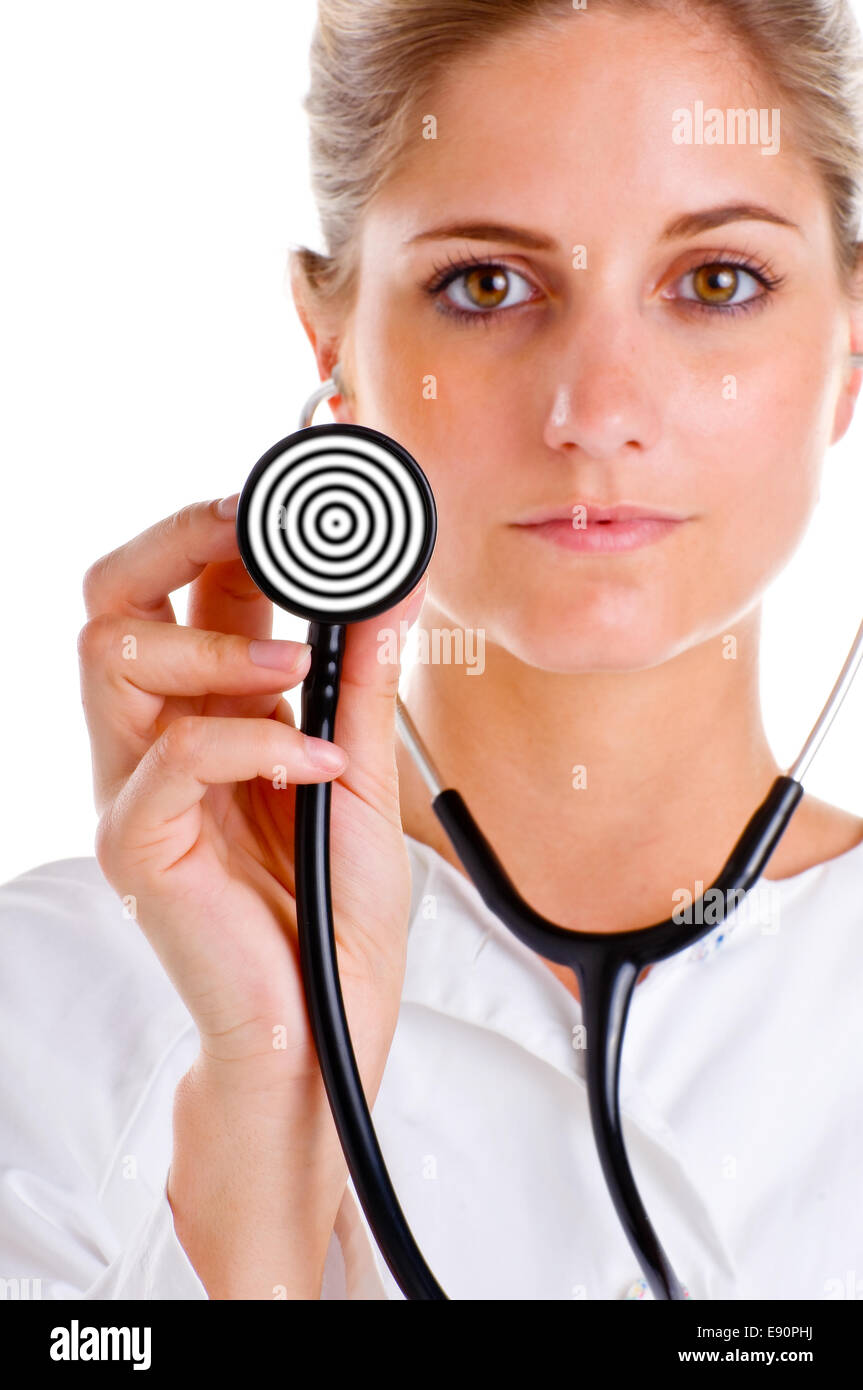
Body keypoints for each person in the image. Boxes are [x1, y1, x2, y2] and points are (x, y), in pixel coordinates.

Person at [3, 0, 863, 1301]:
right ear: (332, 343)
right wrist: (273, 1146)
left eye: (715, 281)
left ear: (852, 345)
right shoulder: (53, 1003)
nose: (597, 411)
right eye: (487, 285)